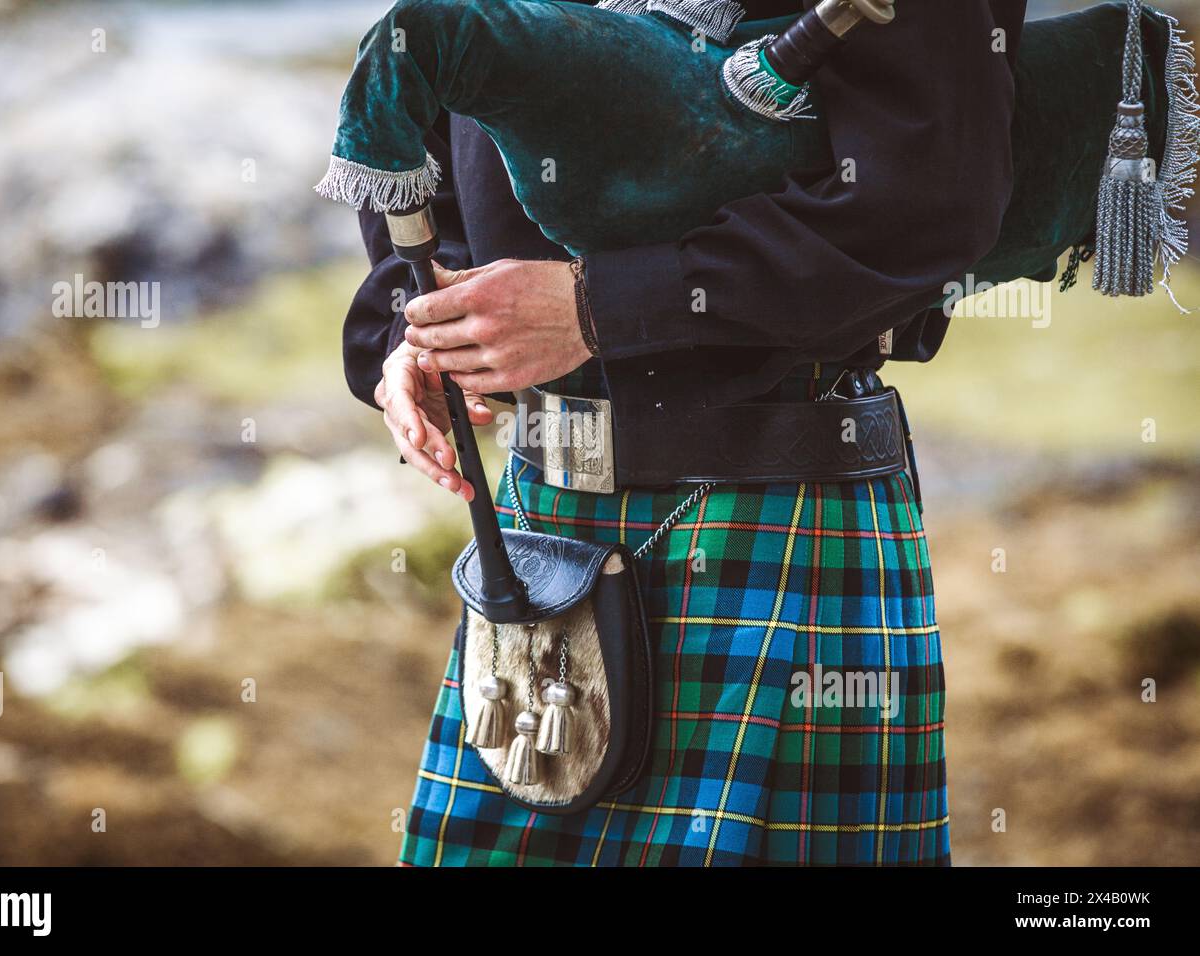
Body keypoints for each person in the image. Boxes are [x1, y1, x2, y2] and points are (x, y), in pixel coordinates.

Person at [344, 0, 1025, 866]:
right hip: (540, 532)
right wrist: (416, 332)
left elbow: (935, 199)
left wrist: (599, 309)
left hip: (784, 523)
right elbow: (421, 126)